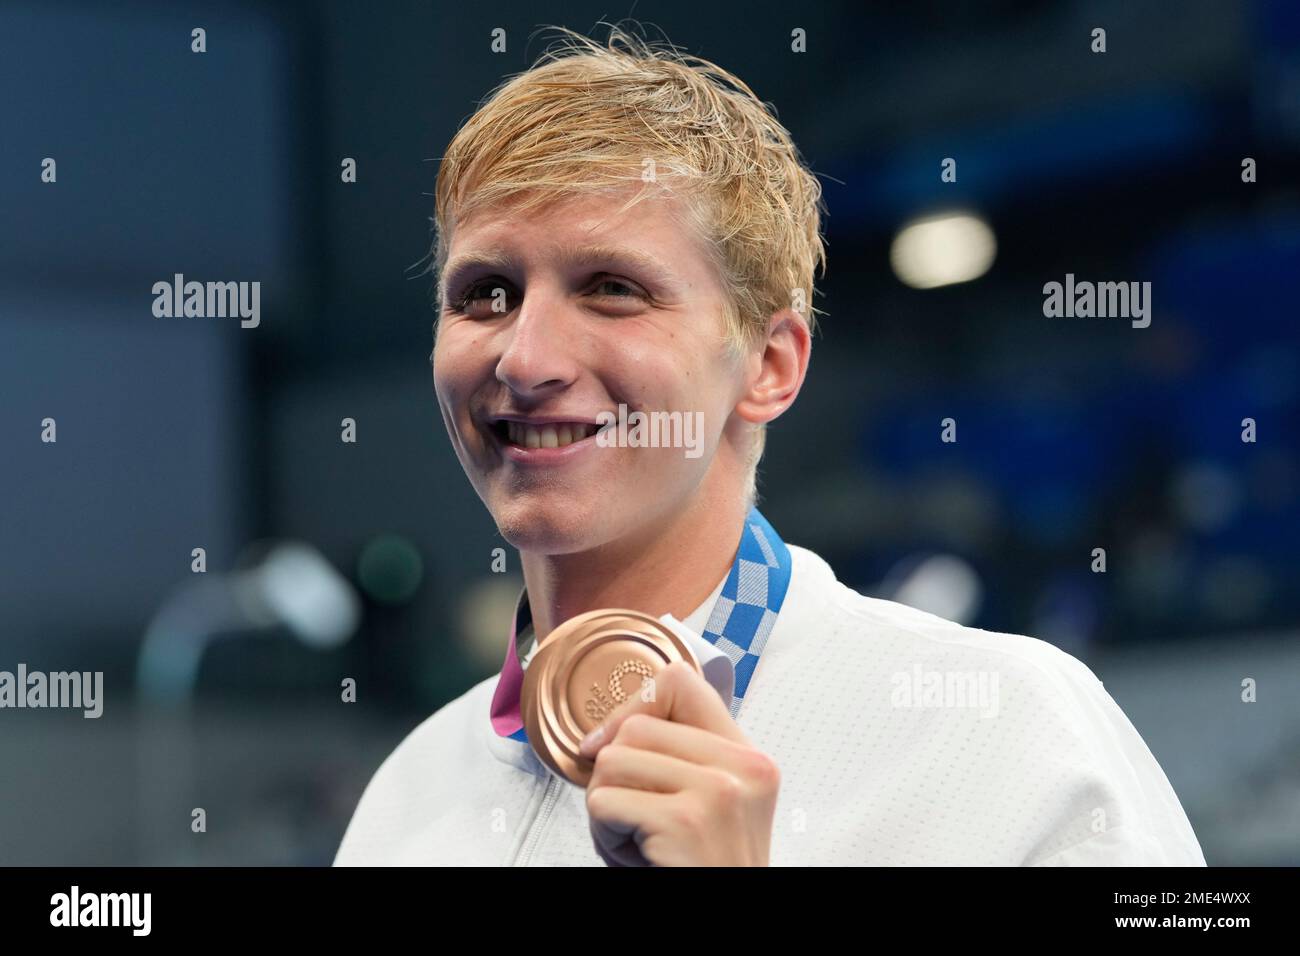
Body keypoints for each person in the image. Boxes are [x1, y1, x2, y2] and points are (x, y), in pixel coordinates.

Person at [334, 24, 1205, 866]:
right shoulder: (406, 798)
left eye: (611, 289)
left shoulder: (1007, 732)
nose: (525, 358)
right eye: (486, 293)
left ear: (770, 366)